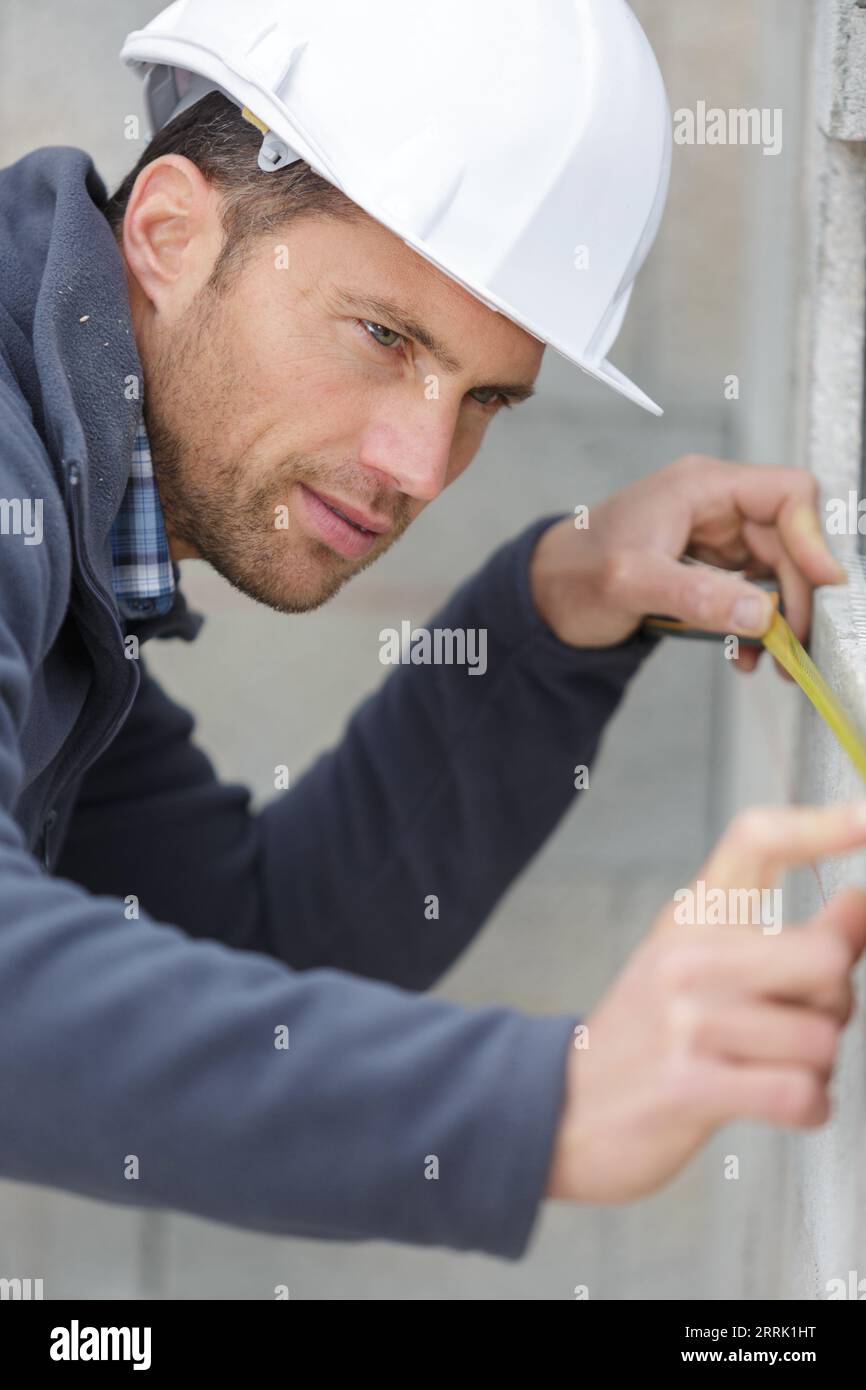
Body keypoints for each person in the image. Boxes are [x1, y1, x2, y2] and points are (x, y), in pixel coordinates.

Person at [0, 0, 862, 1262]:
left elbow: (248, 938)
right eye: (382, 336)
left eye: (485, 400)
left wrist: (548, 619)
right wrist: (554, 1100)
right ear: (171, 233)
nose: (416, 463)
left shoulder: (71, 539)